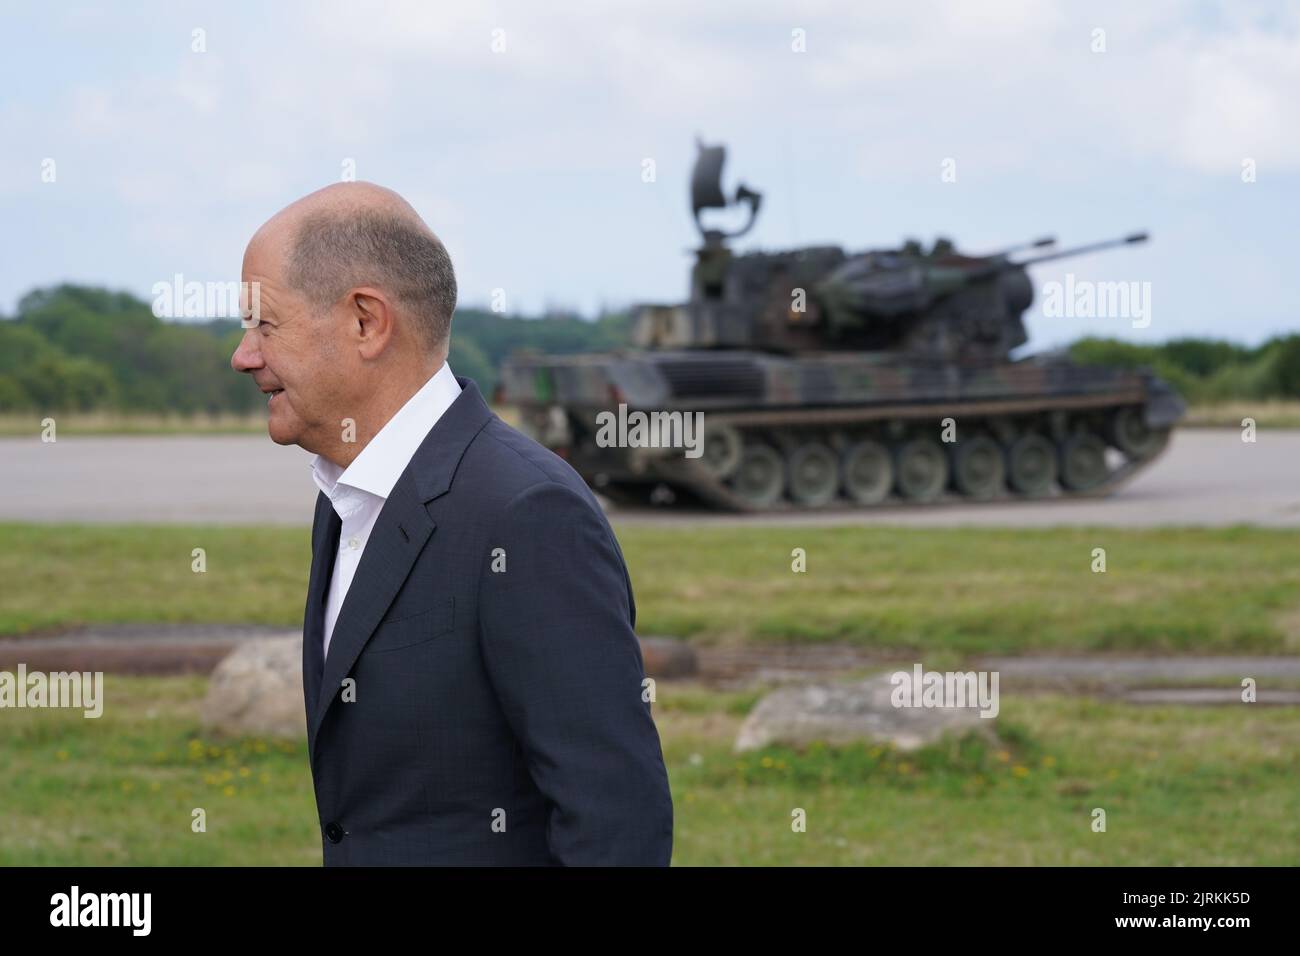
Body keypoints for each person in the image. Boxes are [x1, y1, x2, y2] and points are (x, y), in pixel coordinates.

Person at [230, 182, 673, 865]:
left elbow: (616, 823)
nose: (244, 354)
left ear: (366, 323)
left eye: (265, 324)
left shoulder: (526, 514)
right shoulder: (347, 495)